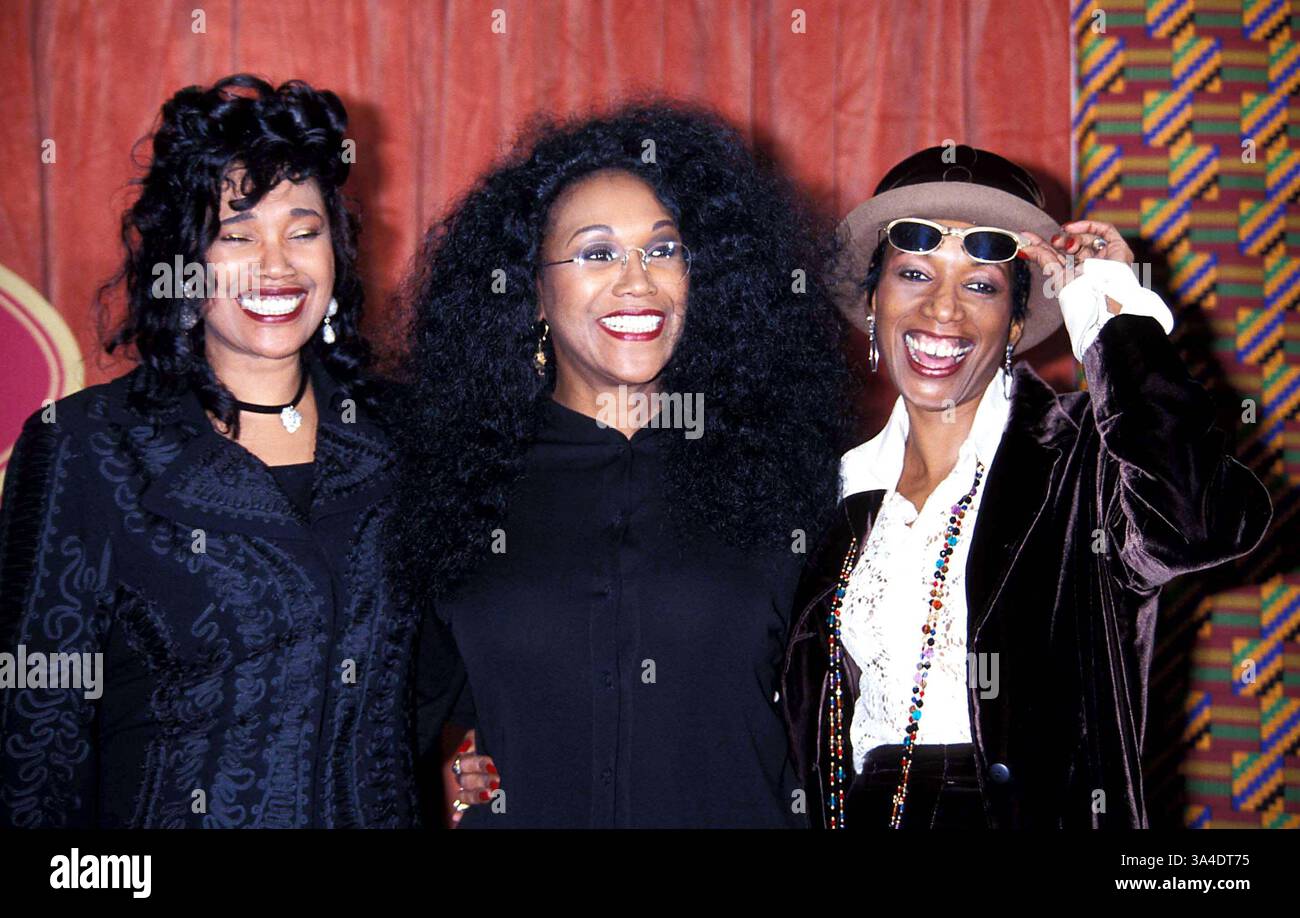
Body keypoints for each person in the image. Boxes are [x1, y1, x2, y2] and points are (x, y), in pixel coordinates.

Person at [781, 145, 1272, 829]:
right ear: (872, 303)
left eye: (980, 286)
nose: (942, 309)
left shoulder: (1082, 459)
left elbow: (1201, 522)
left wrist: (1113, 319)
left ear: (1015, 323)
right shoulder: (835, 487)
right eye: (914, 274)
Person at [391, 104, 850, 828]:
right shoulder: (458, 485)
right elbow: (383, 721)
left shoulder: (792, 479)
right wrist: (430, 781)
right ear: (534, 291)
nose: (637, 282)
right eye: (596, 253)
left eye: (665, 250)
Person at [0, 75, 439, 828]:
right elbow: (35, 743)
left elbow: (443, 681)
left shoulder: (407, 435)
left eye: (304, 232)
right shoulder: (88, 446)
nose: (277, 265)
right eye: (237, 235)